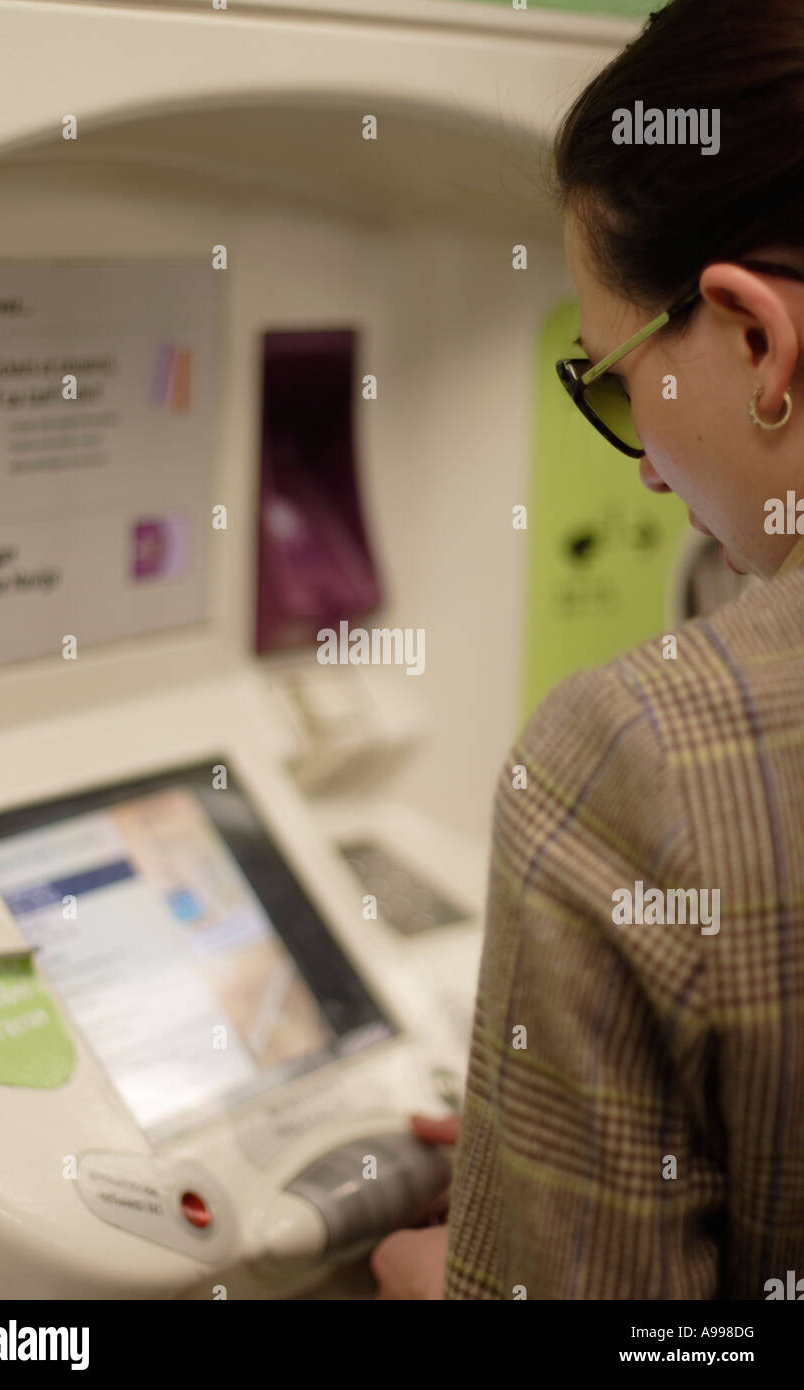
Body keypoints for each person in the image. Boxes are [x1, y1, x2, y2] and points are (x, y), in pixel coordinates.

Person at [371, 0, 804, 1299]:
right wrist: (573, 1152)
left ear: (753, 337)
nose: (654, 478)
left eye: (616, 376)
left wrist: (458, 1276)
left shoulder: (640, 752)